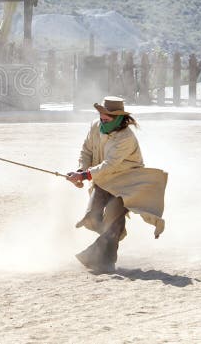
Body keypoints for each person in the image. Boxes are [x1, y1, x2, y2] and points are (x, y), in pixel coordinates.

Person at [66, 96, 167, 273]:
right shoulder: (95, 126)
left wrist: (84, 175)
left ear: (118, 118)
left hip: (127, 183)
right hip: (103, 180)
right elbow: (87, 150)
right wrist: (81, 170)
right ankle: (112, 237)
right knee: (92, 216)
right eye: (101, 116)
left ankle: (104, 261)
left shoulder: (126, 138)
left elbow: (110, 164)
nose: (102, 119)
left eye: (107, 117)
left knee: (113, 219)